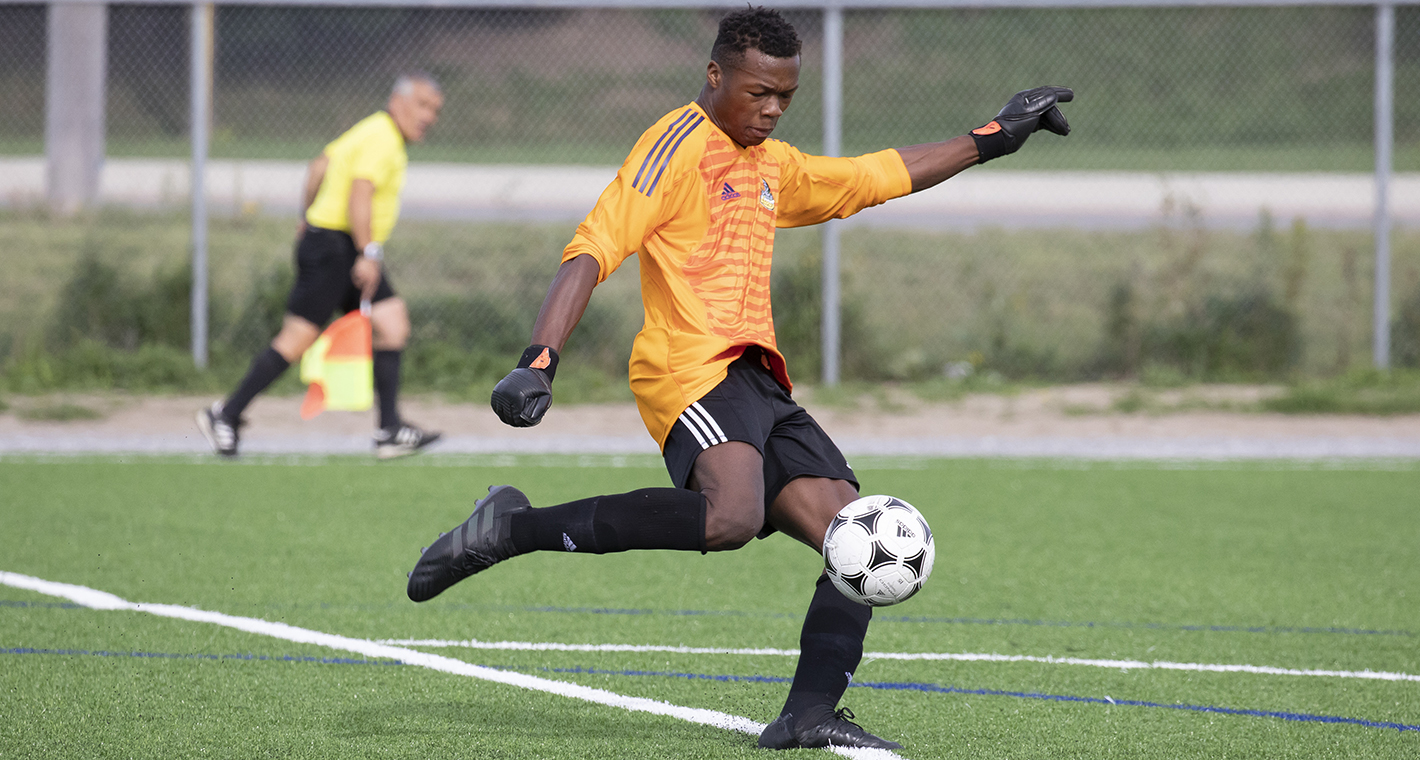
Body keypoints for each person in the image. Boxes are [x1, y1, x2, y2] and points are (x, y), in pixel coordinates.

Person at [408, 7, 1071, 749]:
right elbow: (591, 250)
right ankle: (513, 527)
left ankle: (807, 714)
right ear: (716, 75)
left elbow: (870, 177)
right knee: (731, 518)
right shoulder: (672, 146)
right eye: (759, 92)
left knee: (853, 537)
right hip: (687, 368)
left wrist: (992, 139)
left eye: (785, 96)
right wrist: (539, 359)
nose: (772, 109)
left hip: (759, 380)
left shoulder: (773, 165)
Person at [197, 73, 445, 460]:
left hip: (331, 240)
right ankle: (225, 415)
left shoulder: (367, 130)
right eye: (423, 105)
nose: (429, 116)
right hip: (337, 247)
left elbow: (318, 167)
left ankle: (390, 429)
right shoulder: (383, 140)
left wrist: (306, 214)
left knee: (391, 322)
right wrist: (368, 253)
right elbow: (359, 195)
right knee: (296, 339)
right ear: (398, 102)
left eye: (435, 110)